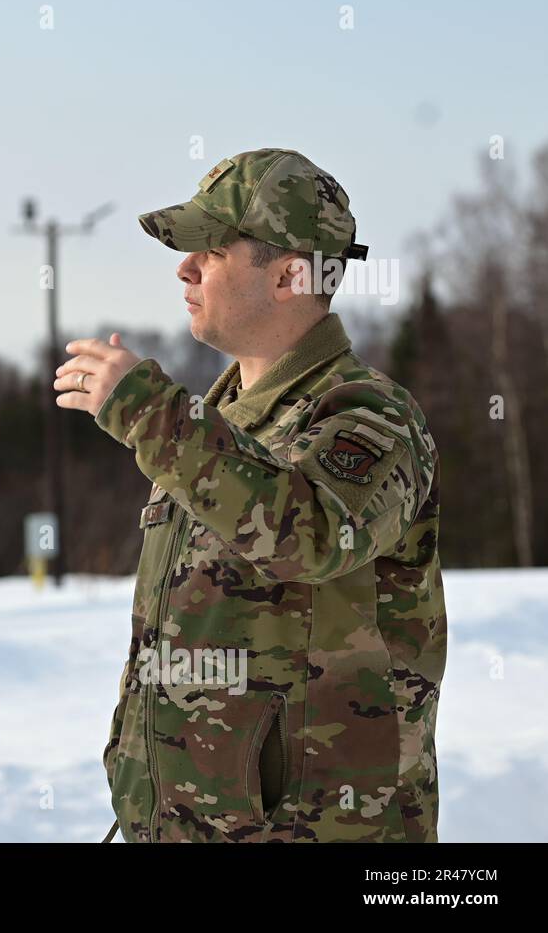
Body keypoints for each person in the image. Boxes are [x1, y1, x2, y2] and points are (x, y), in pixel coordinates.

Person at [55, 148, 446, 842]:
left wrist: (152, 415)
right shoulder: (221, 427)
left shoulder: (372, 420)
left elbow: (316, 533)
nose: (185, 267)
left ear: (293, 273)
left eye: (210, 249)